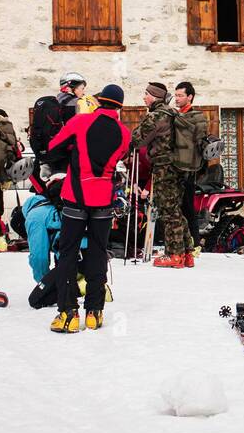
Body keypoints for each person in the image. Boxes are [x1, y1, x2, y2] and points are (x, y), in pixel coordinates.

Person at [46, 85, 131, 333]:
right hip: (103, 198)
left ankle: (68, 314)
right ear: (119, 107)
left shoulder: (81, 121)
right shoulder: (124, 133)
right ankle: (95, 313)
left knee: (68, 253)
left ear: (99, 100)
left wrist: (73, 150)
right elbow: (119, 157)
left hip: (75, 196)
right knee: (98, 253)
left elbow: (53, 147)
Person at [129, 82, 192, 268]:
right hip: (180, 167)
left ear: (154, 97)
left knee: (168, 210)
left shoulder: (157, 116)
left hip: (164, 168)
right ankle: (187, 252)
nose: (143, 97)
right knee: (176, 209)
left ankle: (174, 254)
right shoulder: (174, 113)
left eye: (146, 94)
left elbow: (137, 139)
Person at [174, 82, 204, 252]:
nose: (177, 99)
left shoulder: (196, 116)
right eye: (176, 95)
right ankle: (182, 243)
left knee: (188, 208)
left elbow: (201, 143)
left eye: (180, 95)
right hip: (176, 167)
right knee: (177, 208)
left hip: (189, 168)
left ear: (190, 97)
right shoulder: (176, 115)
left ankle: (195, 244)